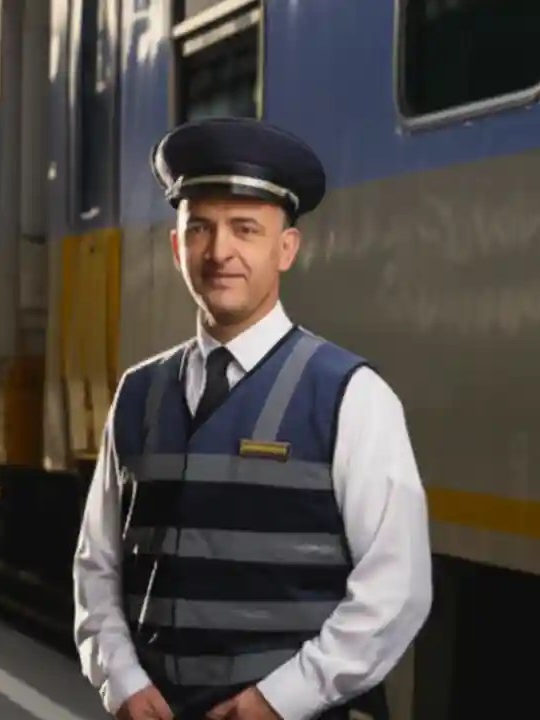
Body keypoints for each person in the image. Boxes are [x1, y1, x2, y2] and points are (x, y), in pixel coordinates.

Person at [73, 117, 433, 720]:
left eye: (246, 230)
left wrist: (279, 699)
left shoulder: (352, 396)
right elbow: (99, 565)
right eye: (201, 230)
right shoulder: (137, 394)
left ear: (285, 248)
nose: (220, 253)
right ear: (176, 245)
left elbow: (397, 588)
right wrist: (123, 679)